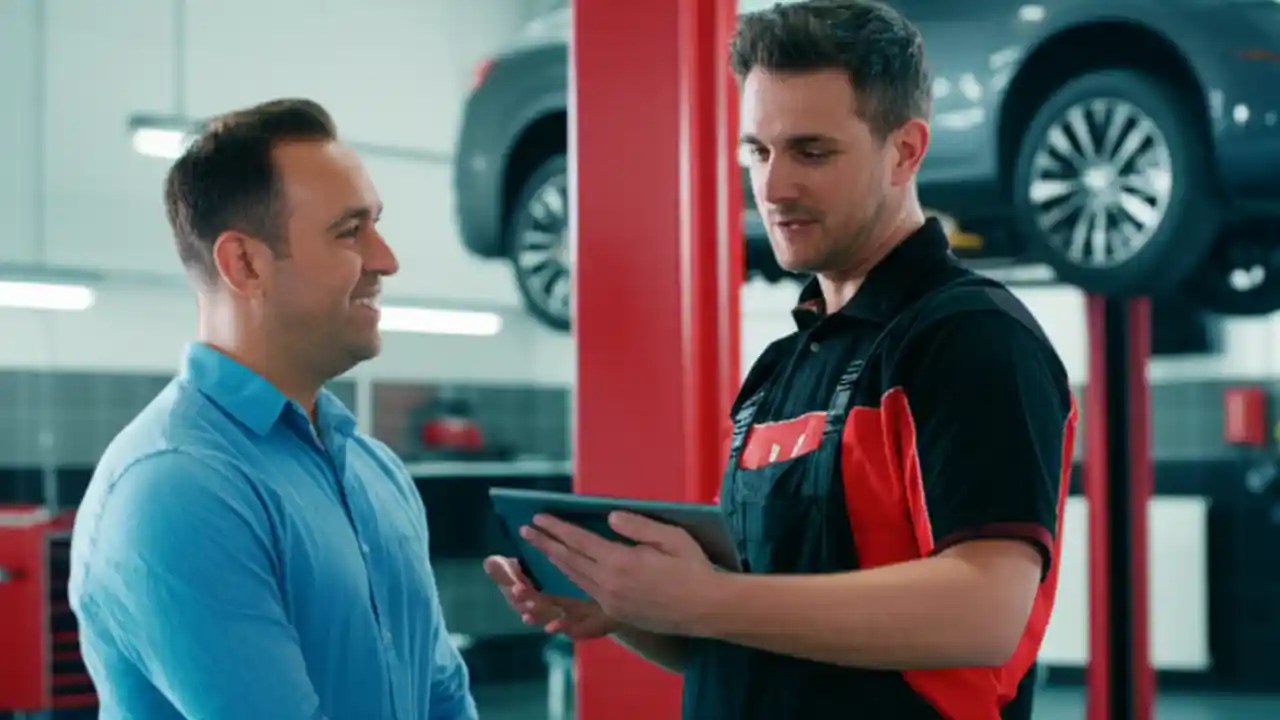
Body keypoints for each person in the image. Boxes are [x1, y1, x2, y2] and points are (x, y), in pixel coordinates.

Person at [484, 2, 1077, 719]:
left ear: (905, 151)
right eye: (758, 153)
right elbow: (752, 629)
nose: (772, 189)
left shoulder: (971, 338)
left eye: (811, 152)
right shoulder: (780, 369)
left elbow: (985, 611)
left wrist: (710, 601)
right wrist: (631, 606)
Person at [68, 99, 478, 720]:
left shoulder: (375, 471)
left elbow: (442, 696)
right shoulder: (178, 485)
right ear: (245, 264)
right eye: (350, 232)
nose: (386, 260)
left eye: (375, 225)